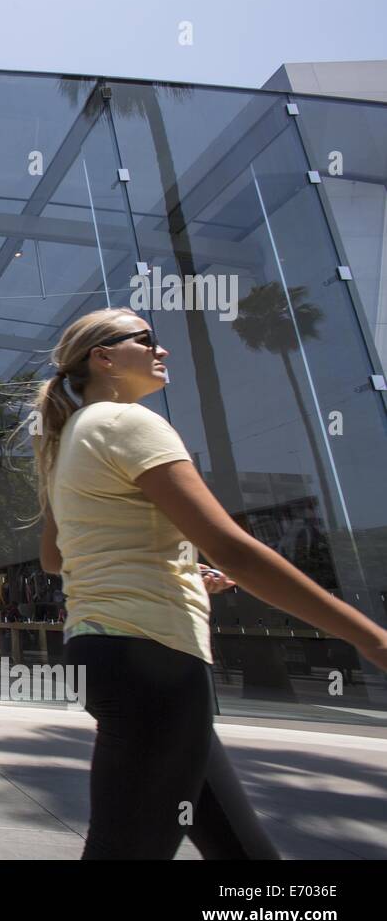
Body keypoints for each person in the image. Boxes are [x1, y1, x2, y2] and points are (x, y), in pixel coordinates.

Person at [29, 307, 387, 860]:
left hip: (107, 651)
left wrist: (173, 569)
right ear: (103, 357)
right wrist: (369, 637)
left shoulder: (69, 439)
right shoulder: (129, 423)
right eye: (145, 340)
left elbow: (56, 558)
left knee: (242, 853)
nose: (161, 350)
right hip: (155, 658)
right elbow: (234, 550)